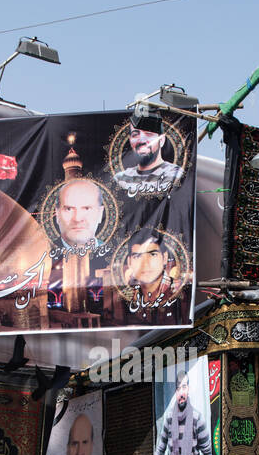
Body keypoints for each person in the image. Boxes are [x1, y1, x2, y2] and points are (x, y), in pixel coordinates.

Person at [48, 178, 110, 314]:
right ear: (57, 214)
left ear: (100, 214)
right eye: (69, 209)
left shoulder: (115, 256)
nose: (77, 218)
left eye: (86, 208)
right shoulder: (43, 256)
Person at [154, 371, 213, 455]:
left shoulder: (197, 419)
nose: (181, 393)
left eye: (184, 387)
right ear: (175, 392)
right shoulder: (169, 418)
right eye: (178, 388)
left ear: (188, 389)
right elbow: (159, 452)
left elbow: (208, 453)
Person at [114, 114, 183, 197]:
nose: (141, 140)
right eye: (135, 135)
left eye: (148, 134)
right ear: (130, 140)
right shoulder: (120, 178)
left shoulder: (176, 174)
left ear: (161, 140)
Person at [121, 229, 183, 319]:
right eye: (137, 256)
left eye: (153, 254)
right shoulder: (128, 297)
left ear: (164, 258)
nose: (145, 263)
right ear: (129, 262)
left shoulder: (180, 292)